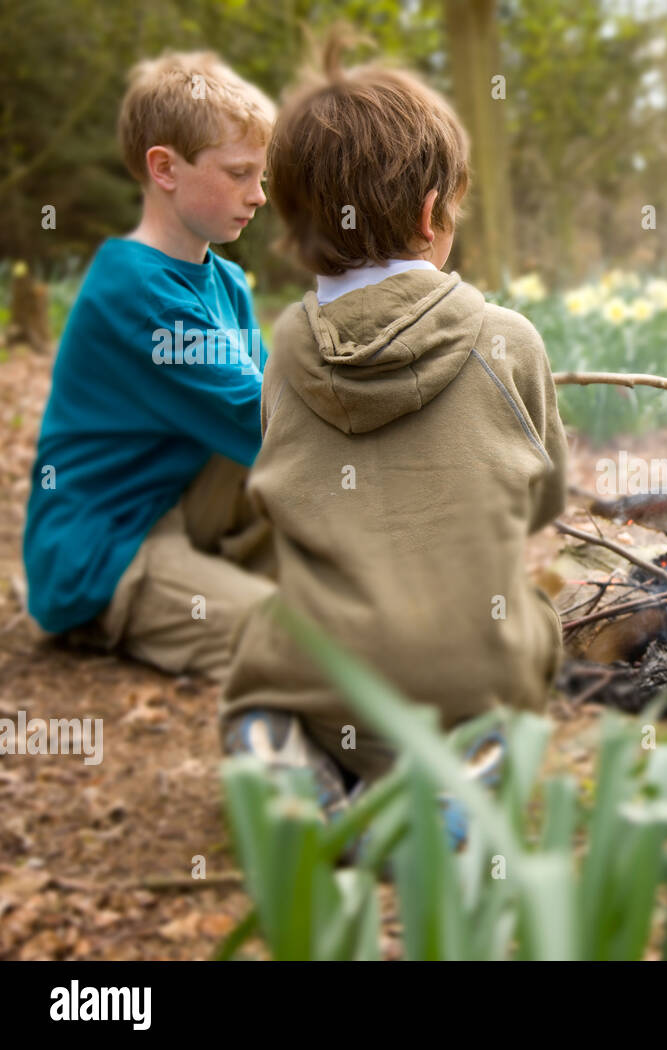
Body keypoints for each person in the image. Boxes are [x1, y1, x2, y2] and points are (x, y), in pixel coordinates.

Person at [218, 38, 568, 815]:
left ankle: (279, 748)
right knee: (536, 614)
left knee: (267, 642)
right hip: (464, 681)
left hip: (319, 680)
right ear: (429, 214)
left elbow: (275, 498)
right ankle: (473, 768)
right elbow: (542, 506)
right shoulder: (509, 341)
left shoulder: (283, 350)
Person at [23, 52, 277, 680]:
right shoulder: (136, 292)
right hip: (108, 549)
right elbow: (269, 419)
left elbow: (278, 402)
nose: (260, 195)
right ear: (164, 168)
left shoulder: (227, 282)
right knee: (297, 639)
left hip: (183, 499)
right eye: (240, 173)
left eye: (261, 175)